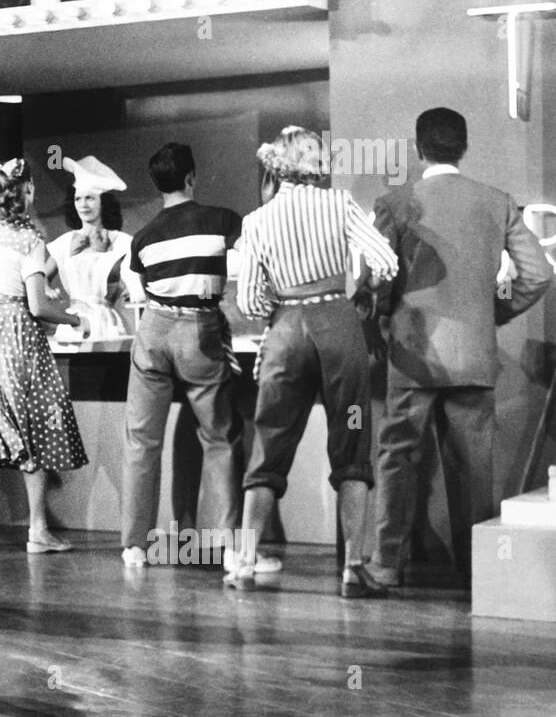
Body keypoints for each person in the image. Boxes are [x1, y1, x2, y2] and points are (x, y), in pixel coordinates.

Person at [367, 108, 551, 586]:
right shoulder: (496, 201)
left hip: (412, 357)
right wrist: (494, 314)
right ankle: (477, 575)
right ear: (463, 147)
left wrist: (386, 317)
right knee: (473, 471)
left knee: (397, 460)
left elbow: (372, 279)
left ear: (418, 147)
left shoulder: (394, 202)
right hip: (473, 356)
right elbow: (538, 273)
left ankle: (386, 566)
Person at [225, 127, 399, 596]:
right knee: (352, 445)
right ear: (315, 163)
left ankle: (243, 563)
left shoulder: (256, 221)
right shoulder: (340, 204)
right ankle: (353, 568)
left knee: (267, 448)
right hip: (339, 328)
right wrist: (362, 291)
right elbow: (385, 261)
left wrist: (279, 308)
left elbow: (249, 302)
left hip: (284, 332)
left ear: (277, 166)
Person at [0, 158, 89, 552]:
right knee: (30, 422)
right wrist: (74, 319)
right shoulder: (29, 239)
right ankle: (38, 531)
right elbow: (40, 306)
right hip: (15, 329)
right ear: (24, 192)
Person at [120, 143, 244, 569]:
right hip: (199, 330)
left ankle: (135, 545)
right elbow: (244, 271)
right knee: (219, 439)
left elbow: (137, 293)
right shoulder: (224, 221)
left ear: (157, 185)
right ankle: (230, 547)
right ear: (192, 176)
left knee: (142, 441)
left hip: (152, 330)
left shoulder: (142, 238)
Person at [45, 156, 140, 341]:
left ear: (102, 202)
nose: (83, 205)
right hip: (73, 324)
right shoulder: (64, 243)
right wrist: (47, 290)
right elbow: (40, 277)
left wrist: (133, 290)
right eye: (78, 199)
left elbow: (137, 283)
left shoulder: (121, 241)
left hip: (106, 325)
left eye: (90, 198)